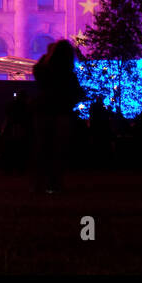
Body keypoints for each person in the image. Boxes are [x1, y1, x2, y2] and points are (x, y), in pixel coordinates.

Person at [32, 39, 83, 193]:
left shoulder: (45, 71)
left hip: (44, 112)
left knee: (43, 149)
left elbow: (37, 70)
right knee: (58, 151)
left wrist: (46, 56)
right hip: (62, 113)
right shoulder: (68, 74)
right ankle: (55, 183)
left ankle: (40, 184)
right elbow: (78, 93)